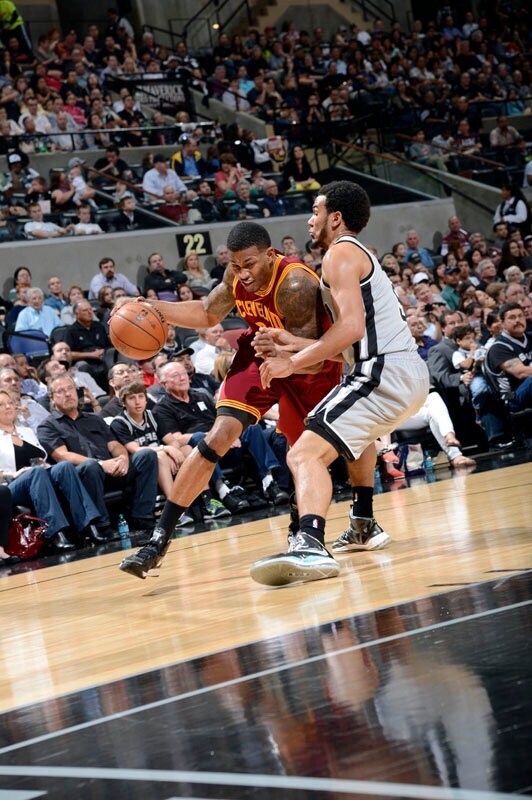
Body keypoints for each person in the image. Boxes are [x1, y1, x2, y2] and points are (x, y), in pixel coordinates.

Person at [118, 220, 341, 579]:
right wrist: (155, 308)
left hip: (311, 362)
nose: (243, 274)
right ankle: (159, 540)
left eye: (250, 264)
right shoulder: (236, 273)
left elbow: (317, 348)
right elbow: (208, 312)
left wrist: (286, 359)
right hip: (262, 350)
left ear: (270, 255)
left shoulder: (296, 284)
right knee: (218, 435)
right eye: (236, 266)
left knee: (308, 453)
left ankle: (346, 518)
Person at [250, 181, 430, 586]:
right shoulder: (354, 256)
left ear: (335, 218)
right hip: (400, 372)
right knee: (354, 433)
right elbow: (354, 339)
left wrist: (291, 362)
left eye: (315, 211)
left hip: (384, 372)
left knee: (303, 455)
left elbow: (349, 329)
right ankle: (363, 521)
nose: (309, 220)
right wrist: (295, 343)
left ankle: (311, 544)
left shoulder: (340, 252)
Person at [37, 374, 159, 536]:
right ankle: (103, 526)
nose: (67, 394)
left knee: (146, 455)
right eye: (61, 391)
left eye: (70, 389)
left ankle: (142, 517)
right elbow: (62, 456)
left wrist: (122, 458)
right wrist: (102, 464)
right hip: (82, 477)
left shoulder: (94, 419)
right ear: (52, 398)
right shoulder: (47, 426)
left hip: (112, 469)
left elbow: (114, 444)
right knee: (91, 466)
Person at [0, 389, 108, 551]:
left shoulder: (27, 431)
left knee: (63, 467)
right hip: (12, 486)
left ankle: (89, 526)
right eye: (2, 404)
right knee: (35, 473)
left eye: (10, 403)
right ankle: (56, 533)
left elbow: (43, 460)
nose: (8, 407)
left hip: (38, 478)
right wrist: (14, 474)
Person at [485, 303, 531, 410]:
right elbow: (521, 373)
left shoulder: (530, 337)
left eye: (520, 316)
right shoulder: (498, 348)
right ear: (502, 323)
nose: (517, 320)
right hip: (511, 397)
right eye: (512, 317)